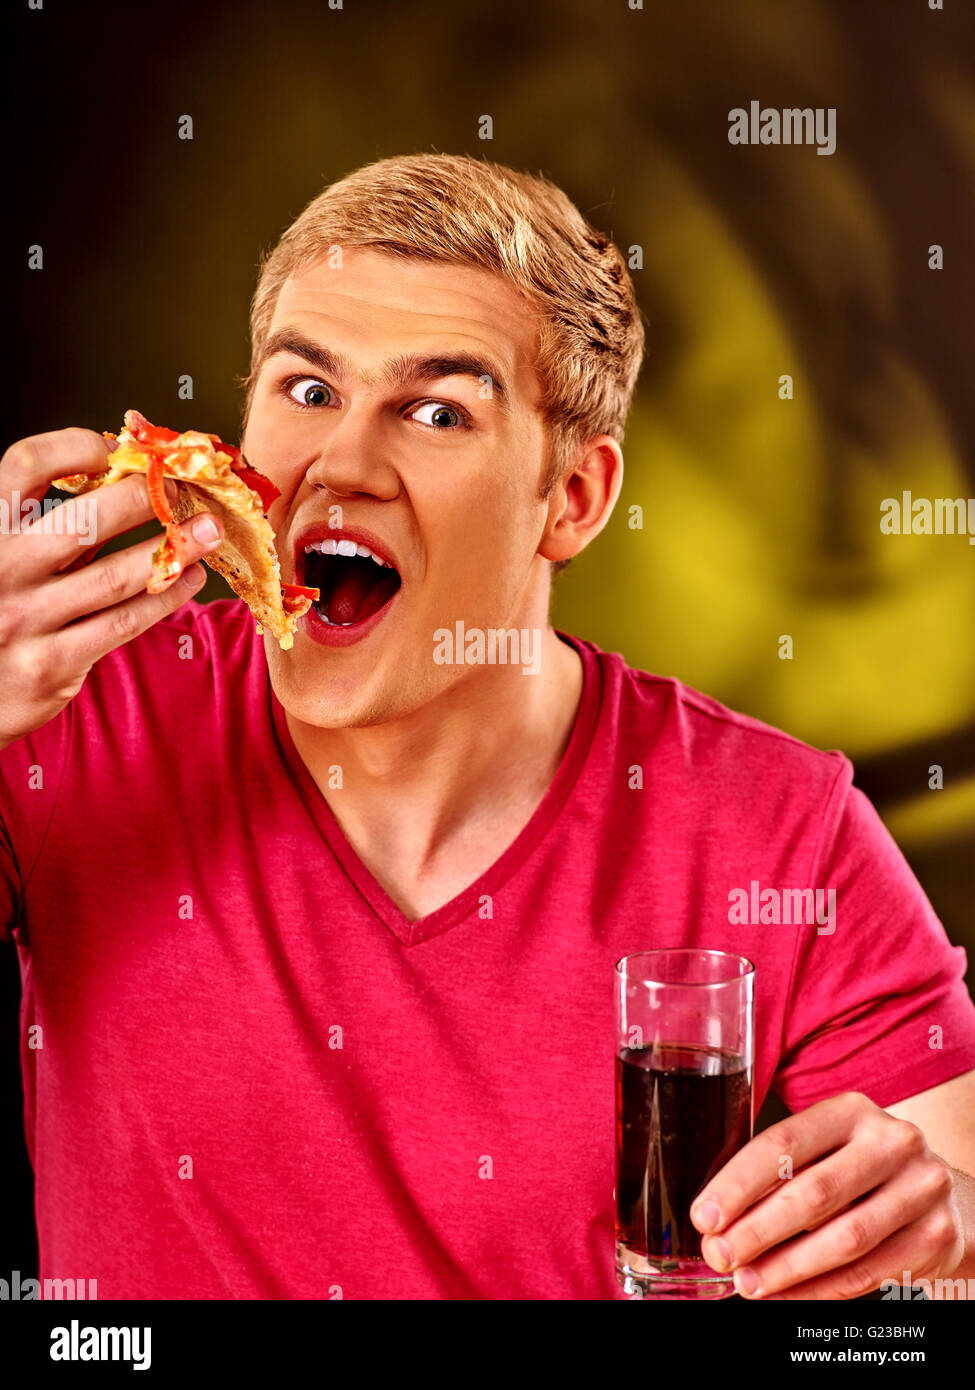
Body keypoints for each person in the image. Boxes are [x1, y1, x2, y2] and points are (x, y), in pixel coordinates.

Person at [1, 153, 973, 1302]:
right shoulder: (69, 710)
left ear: (572, 499)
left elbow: (952, 1191)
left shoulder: (778, 826)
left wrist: (944, 1229)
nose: (344, 465)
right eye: (308, 392)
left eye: (436, 410)